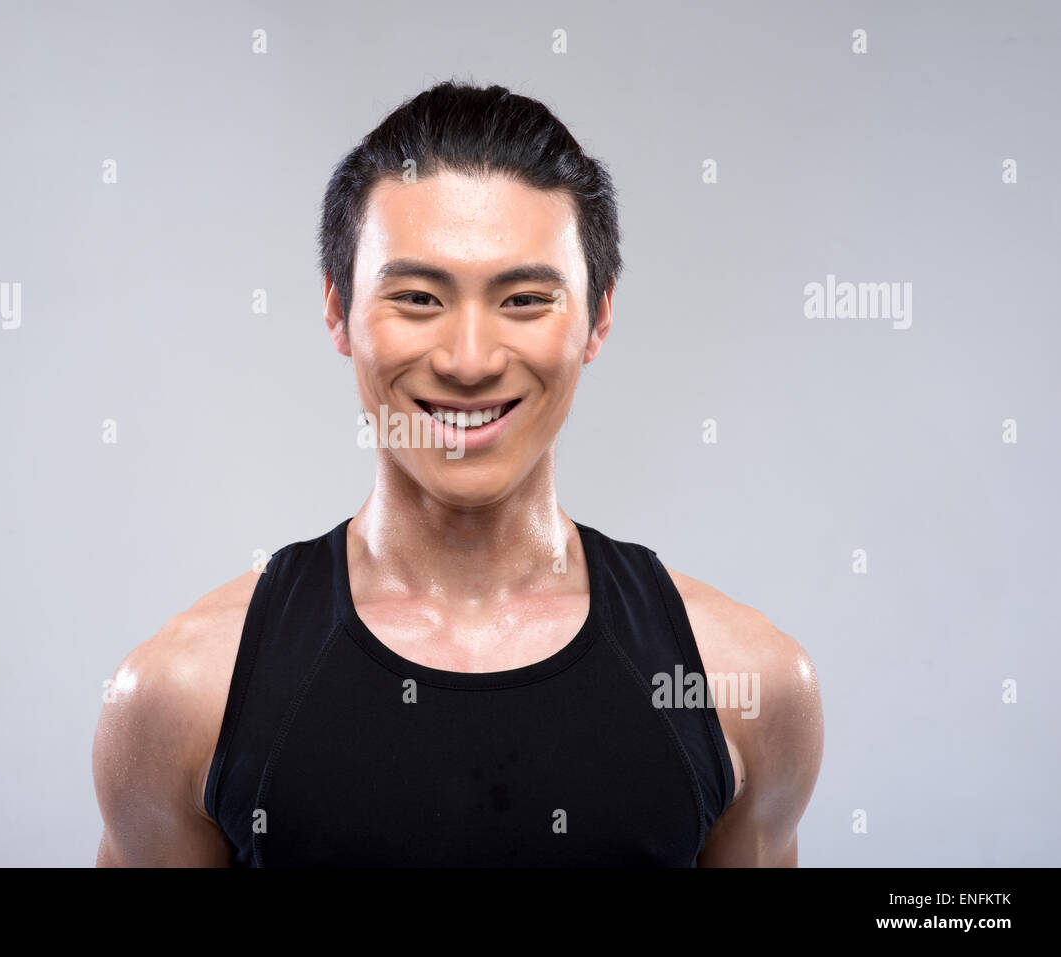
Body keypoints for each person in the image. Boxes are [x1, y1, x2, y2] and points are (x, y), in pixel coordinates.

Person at [92, 79, 823, 867]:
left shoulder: (742, 685)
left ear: (597, 317)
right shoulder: (184, 692)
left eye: (524, 299)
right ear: (337, 311)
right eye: (416, 296)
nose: (469, 360)